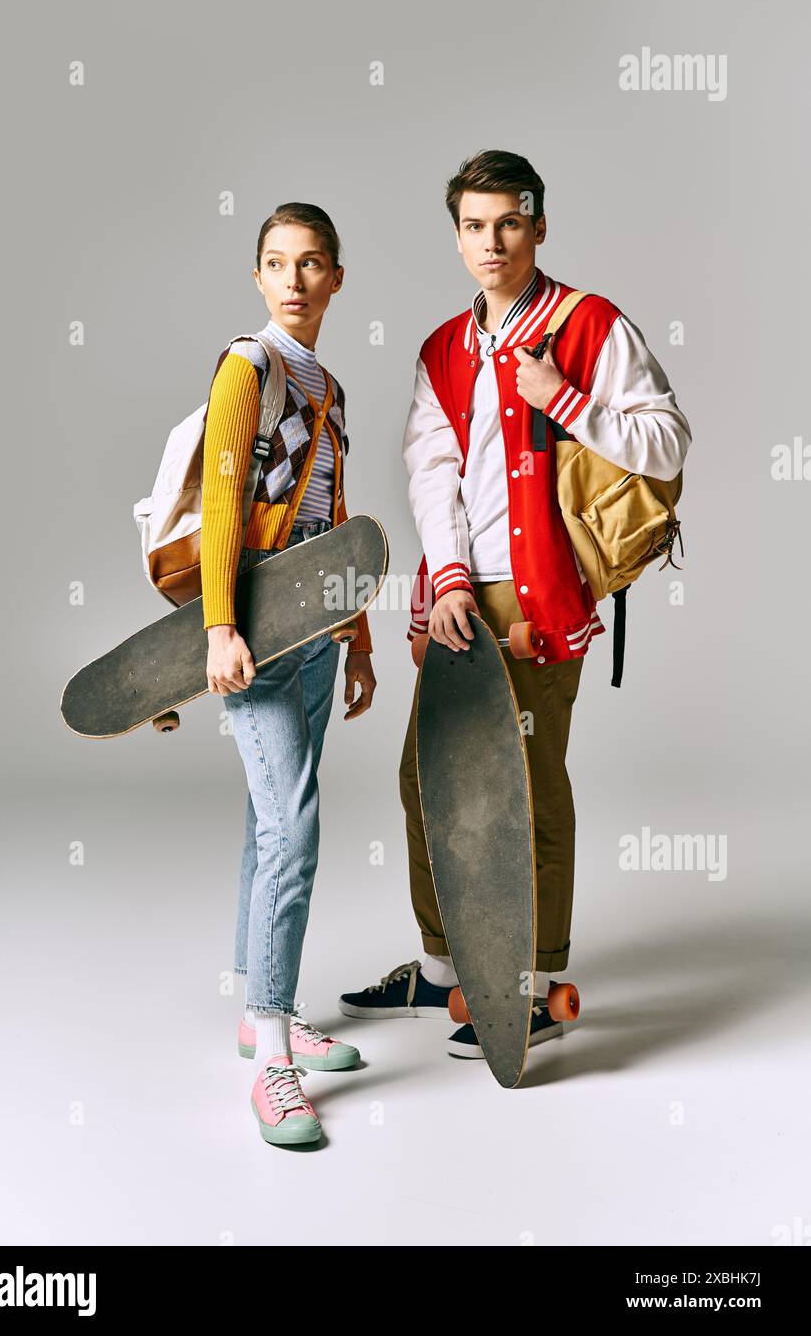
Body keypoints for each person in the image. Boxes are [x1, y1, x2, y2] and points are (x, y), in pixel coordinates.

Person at [339, 149, 691, 1059]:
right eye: (473, 226)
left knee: (529, 794)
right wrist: (447, 575)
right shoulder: (444, 350)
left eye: (508, 222)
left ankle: (534, 983)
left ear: (538, 225)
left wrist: (565, 397)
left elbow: (666, 438)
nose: (491, 241)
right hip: (463, 594)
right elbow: (431, 471)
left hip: (544, 592)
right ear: (457, 238)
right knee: (428, 779)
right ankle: (451, 969)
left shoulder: (591, 325)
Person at [201, 202, 377, 1145]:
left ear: (336, 279)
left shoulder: (329, 386)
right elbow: (224, 494)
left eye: (313, 264)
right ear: (259, 277)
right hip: (259, 625)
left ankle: (255, 1010)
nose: (296, 279)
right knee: (292, 830)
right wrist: (222, 624)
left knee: (266, 821)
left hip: (317, 626)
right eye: (278, 263)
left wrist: (360, 638)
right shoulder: (250, 365)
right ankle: (272, 1056)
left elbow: (336, 519)